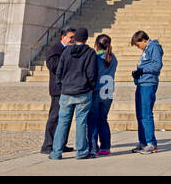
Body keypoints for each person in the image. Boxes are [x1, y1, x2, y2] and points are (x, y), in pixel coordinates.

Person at [50, 27, 97, 160]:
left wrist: (60, 86)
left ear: (75, 38)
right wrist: (91, 87)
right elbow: (92, 74)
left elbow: (59, 71)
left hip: (66, 91)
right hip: (83, 91)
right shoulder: (90, 53)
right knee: (81, 122)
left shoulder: (66, 51)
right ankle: (81, 151)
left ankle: (56, 152)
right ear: (86, 39)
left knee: (62, 122)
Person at [41, 27, 76, 155]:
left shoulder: (70, 50)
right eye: (71, 37)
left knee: (66, 118)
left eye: (74, 37)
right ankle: (48, 145)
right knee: (55, 118)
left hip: (68, 88)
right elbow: (53, 66)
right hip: (58, 90)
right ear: (63, 37)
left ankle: (61, 143)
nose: (73, 39)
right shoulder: (55, 49)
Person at [130, 30, 162, 154]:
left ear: (144, 40)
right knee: (140, 114)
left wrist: (142, 70)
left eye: (138, 45)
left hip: (148, 84)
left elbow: (157, 65)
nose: (138, 48)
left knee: (146, 114)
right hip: (142, 83)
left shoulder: (154, 47)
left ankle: (151, 143)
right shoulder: (147, 49)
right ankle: (143, 142)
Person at [90, 34, 117, 156]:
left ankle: (93, 148)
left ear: (96, 44)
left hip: (97, 91)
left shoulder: (95, 57)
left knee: (93, 120)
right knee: (103, 120)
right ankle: (105, 147)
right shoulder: (113, 57)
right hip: (108, 92)